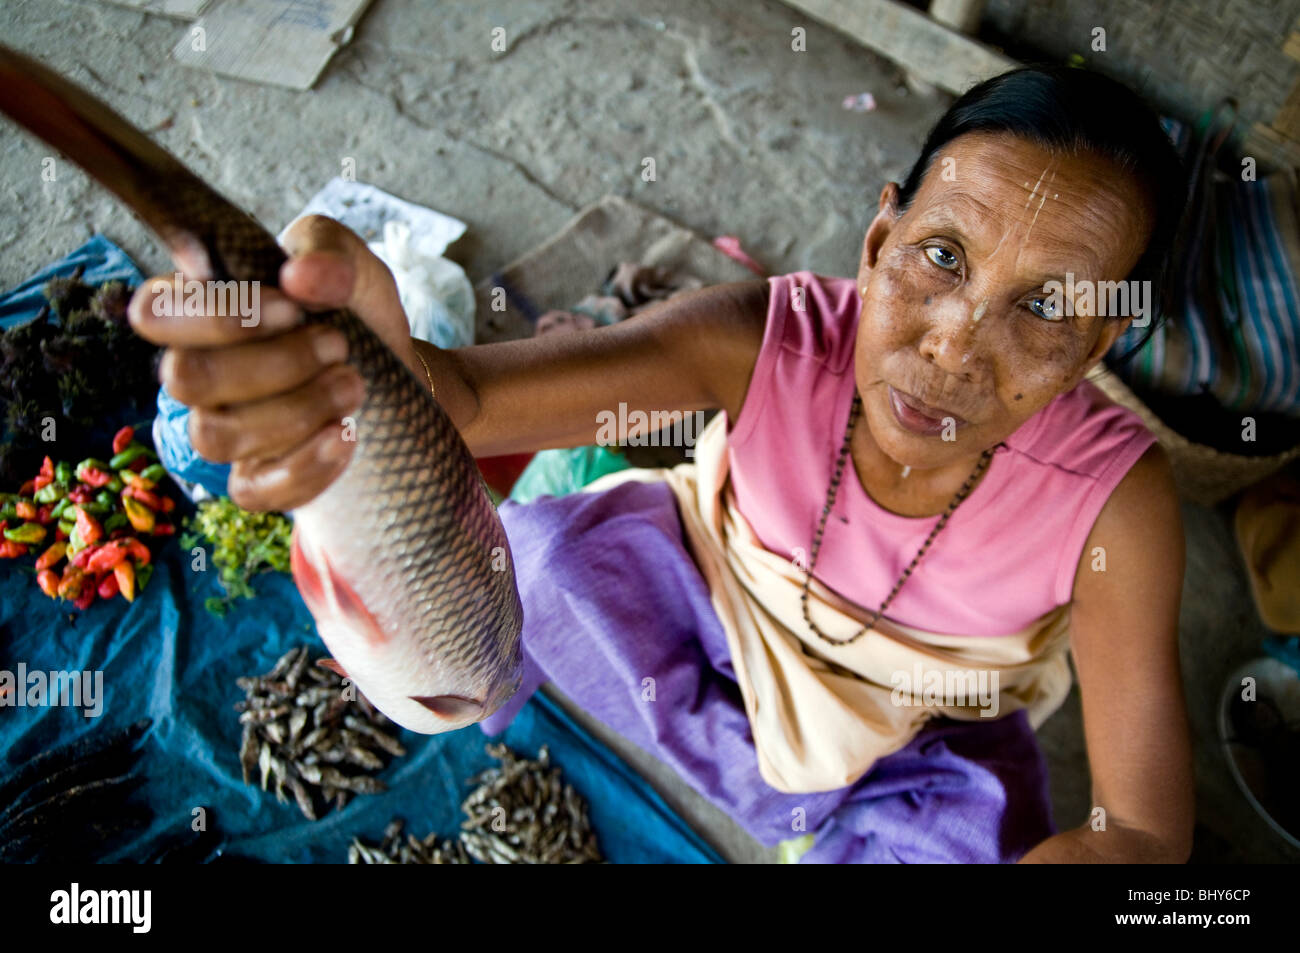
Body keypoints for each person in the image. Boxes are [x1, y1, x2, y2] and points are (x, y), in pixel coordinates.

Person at [129, 65, 1193, 863]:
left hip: (908, 732)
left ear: (1098, 347)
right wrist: (372, 364)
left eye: (1046, 306)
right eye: (941, 257)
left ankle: (815, 804)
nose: (954, 344)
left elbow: (1144, 828)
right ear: (878, 242)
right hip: (713, 598)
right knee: (540, 565)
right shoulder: (760, 338)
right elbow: (465, 398)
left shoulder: (1116, 507)